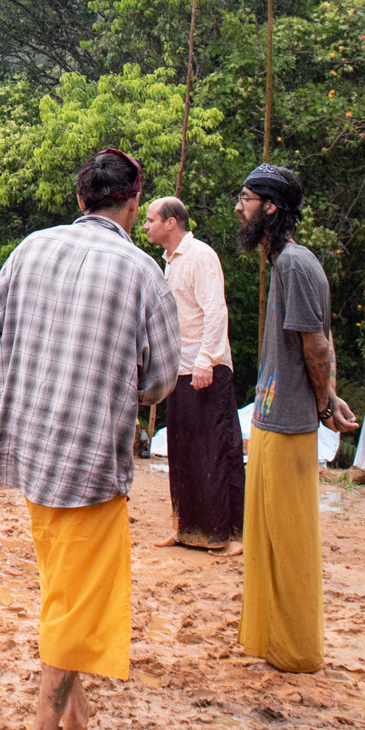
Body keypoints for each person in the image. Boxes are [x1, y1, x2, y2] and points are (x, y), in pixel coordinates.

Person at [0, 147, 179, 730]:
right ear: (134, 203)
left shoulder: (30, 248)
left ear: (81, 199)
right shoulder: (144, 272)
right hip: (91, 456)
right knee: (79, 599)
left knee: (63, 583)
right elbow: (161, 379)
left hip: (31, 446)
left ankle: (72, 709)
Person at [236, 163, 356, 674]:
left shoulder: (295, 265)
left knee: (290, 541)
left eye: (246, 199)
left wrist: (327, 402)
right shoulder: (281, 261)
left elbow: (315, 341)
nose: (239, 208)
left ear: (272, 207)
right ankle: (268, 640)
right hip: (267, 416)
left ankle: (297, 649)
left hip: (288, 423)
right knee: (263, 536)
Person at [144, 194, 246, 554]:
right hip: (180, 370)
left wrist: (206, 360)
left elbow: (216, 311)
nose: (146, 225)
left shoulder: (201, 255)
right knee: (183, 450)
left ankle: (231, 535)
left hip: (207, 368)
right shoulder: (170, 261)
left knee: (217, 450)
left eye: (151, 219)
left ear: (171, 222)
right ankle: (186, 528)